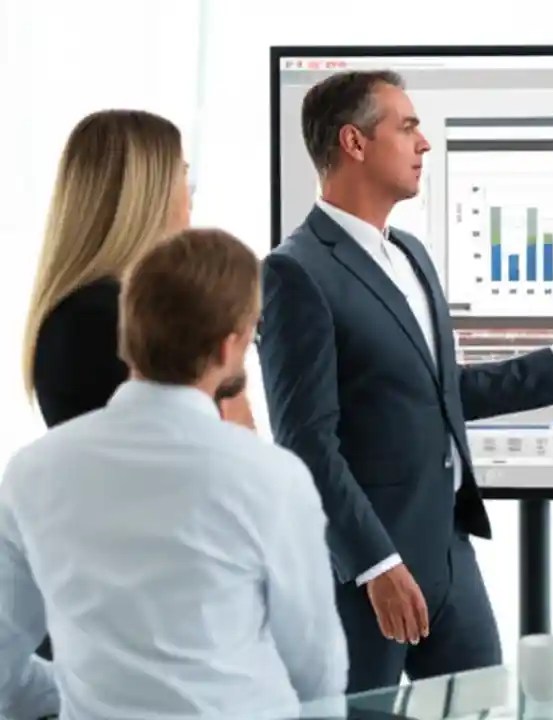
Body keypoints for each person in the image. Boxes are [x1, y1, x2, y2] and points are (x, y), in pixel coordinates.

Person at [258, 70, 553, 692]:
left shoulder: (409, 252)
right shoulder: (294, 272)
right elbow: (305, 443)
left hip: (448, 553)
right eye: (407, 127)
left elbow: (439, 394)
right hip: (368, 573)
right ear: (354, 143)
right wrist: (375, 564)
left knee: (483, 707)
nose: (424, 143)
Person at [0, 228, 347, 720]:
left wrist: (85, 690)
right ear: (230, 347)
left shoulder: (31, 474)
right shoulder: (272, 479)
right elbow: (316, 673)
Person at [23, 109, 256, 433]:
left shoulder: (78, 315)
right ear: (149, 196)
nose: (189, 198)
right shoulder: (107, 319)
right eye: (182, 177)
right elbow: (229, 441)